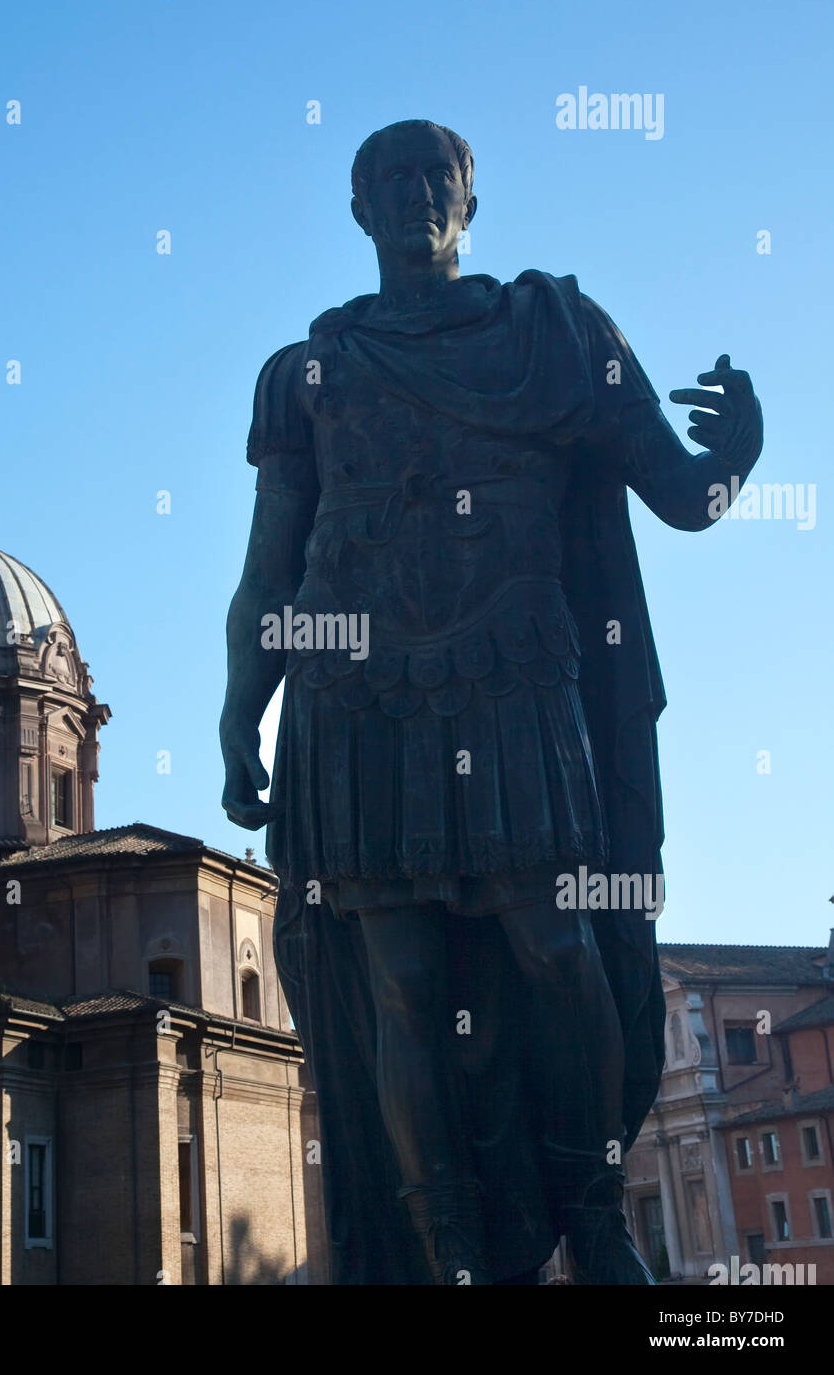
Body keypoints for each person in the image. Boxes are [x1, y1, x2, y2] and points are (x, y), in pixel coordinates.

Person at [220, 120, 763, 1284]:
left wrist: (735, 460)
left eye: (436, 179)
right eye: (391, 182)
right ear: (358, 211)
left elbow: (675, 492)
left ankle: (588, 1202)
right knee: (402, 986)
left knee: (558, 946)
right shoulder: (307, 372)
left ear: (467, 203)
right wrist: (238, 708)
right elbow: (270, 568)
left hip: (514, 672)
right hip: (351, 693)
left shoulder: (551, 335)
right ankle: (442, 1243)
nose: (415, 197)